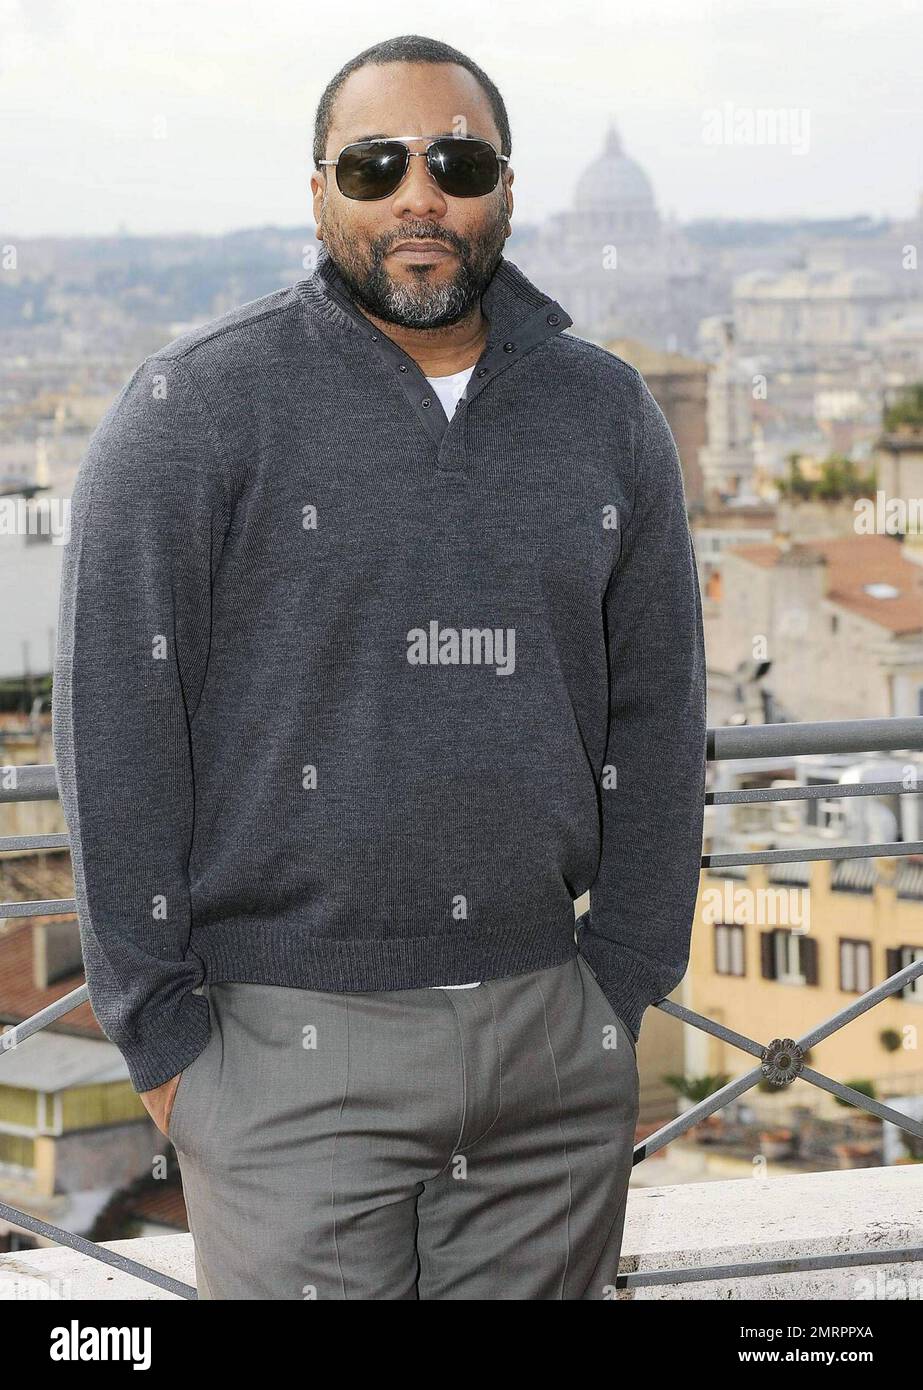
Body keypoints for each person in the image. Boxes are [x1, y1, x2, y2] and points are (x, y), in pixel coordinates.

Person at [52, 33, 706, 1300]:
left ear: (504, 189)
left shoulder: (607, 414)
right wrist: (169, 1047)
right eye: (375, 164)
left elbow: (660, 713)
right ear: (317, 193)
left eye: (457, 161)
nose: (420, 193)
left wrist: (619, 984)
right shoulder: (192, 408)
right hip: (278, 1050)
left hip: (550, 1048)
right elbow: (117, 734)